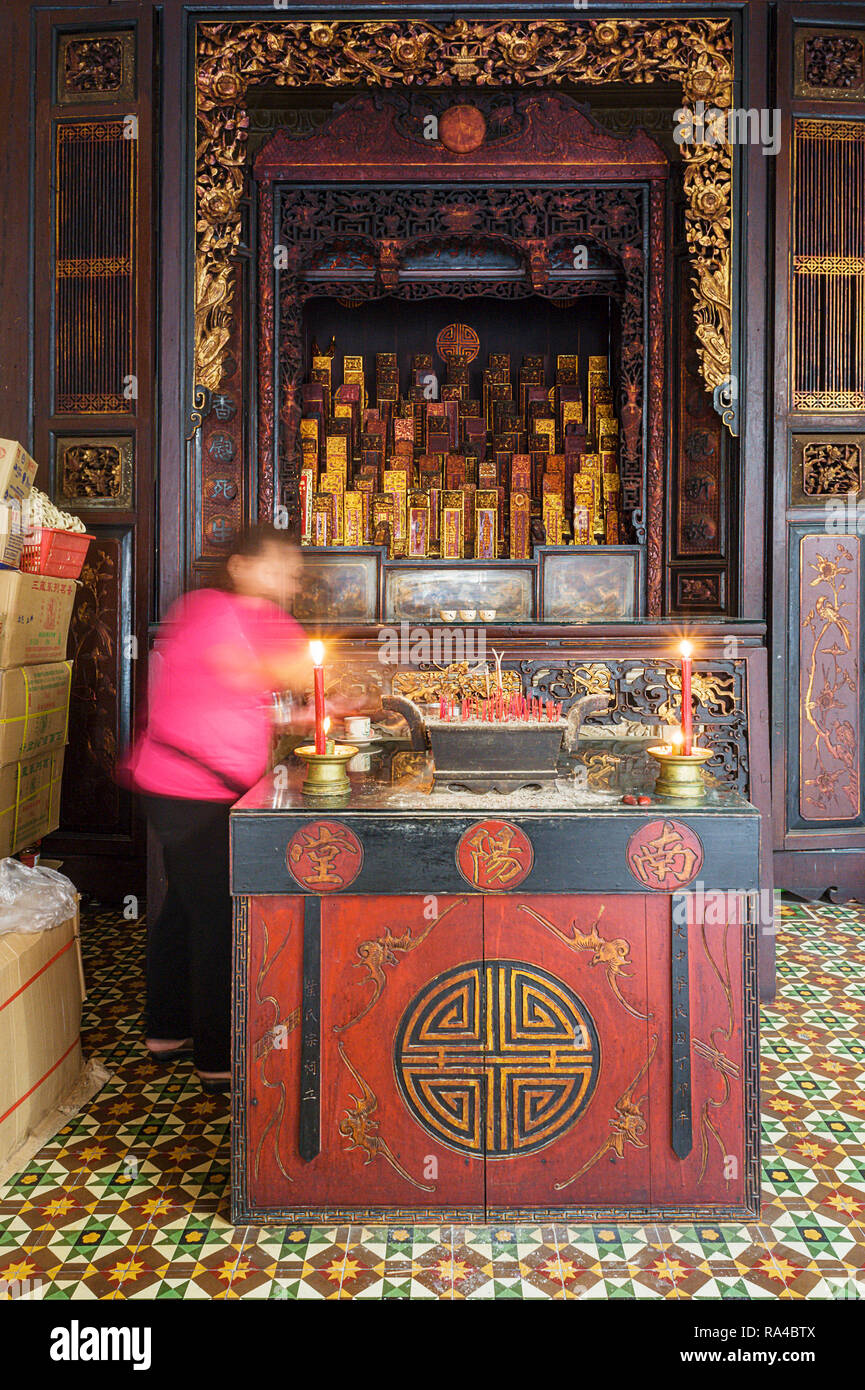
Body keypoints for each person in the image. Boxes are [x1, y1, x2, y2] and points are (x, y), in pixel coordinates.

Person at [123, 526, 312, 1093]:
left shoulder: (253, 619)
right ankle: (216, 1057)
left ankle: (167, 1028)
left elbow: (265, 692)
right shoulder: (213, 612)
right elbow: (255, 672)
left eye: (293, 572)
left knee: (182, 905)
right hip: (192, 788)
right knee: (215, 915)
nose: (288, 581)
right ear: (241, 566)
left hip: (185, 780)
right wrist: (314, 691)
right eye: (278, 568)